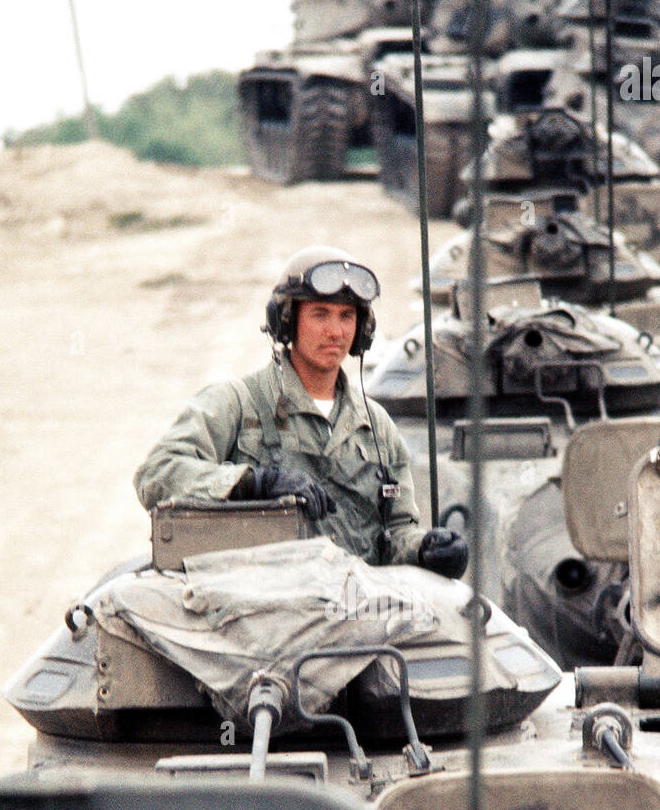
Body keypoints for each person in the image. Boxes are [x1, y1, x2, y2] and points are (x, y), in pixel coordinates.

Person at [134, 246, 468, 577]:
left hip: (357, 607)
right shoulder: (237, 402)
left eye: (347, 316)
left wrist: (426, 548)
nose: (335, 331)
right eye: (320, 314)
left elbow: (396, 531)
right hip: (261, 604)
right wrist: (254, 482)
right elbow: (156, 474)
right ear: (286, 322)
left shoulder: (375, 425)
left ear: (362, 329)